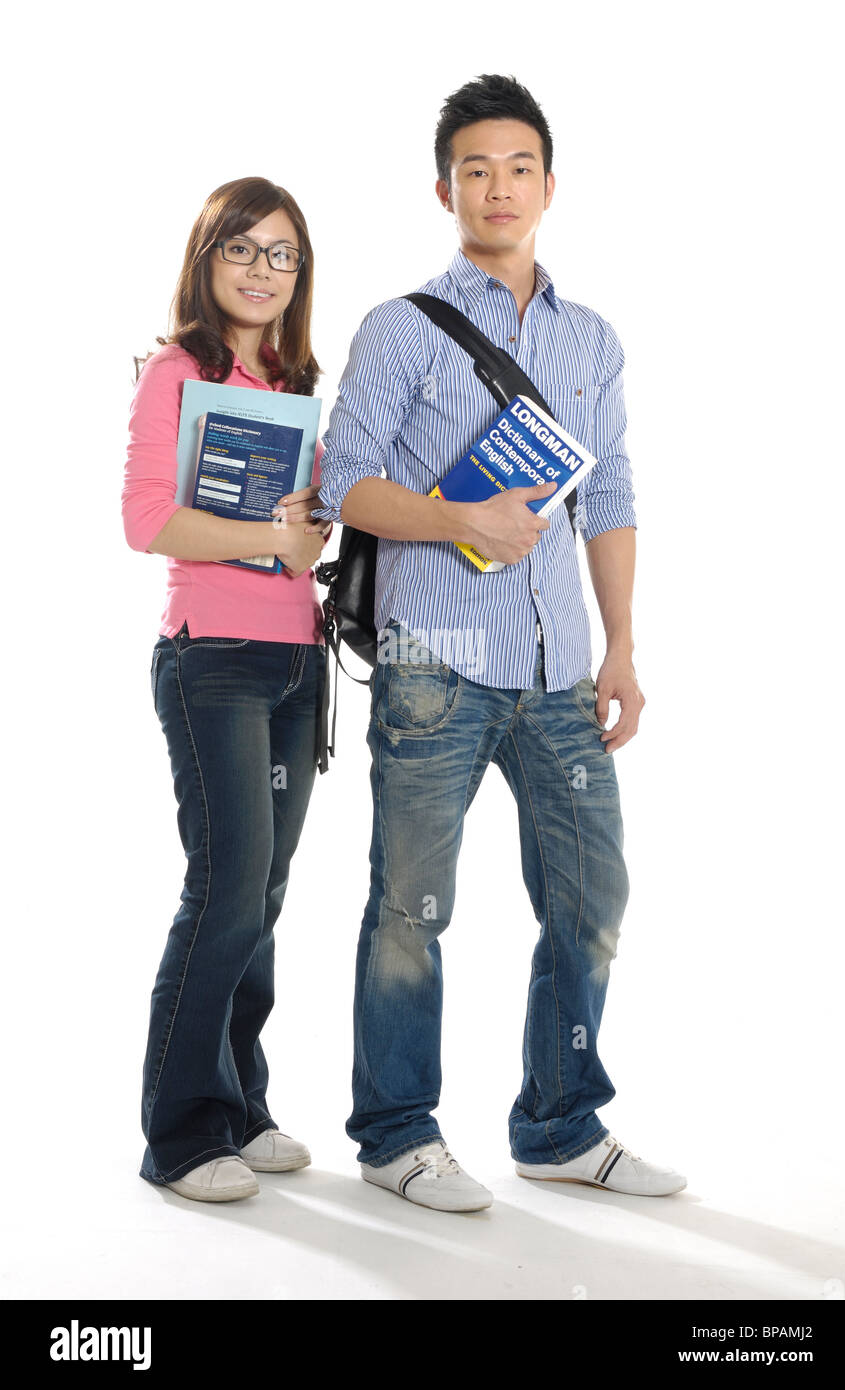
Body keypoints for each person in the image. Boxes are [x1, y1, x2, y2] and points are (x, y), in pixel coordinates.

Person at [311, 76, 686, 1212]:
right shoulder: (399, 327)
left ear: (548, 184)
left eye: (517, 166)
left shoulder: (589, 338)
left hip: (558, 669)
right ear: (444, 189)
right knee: (411, 910)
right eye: (474, 168)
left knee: (590, 897)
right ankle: (394, 1136)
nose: (497, 187)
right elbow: (341, 482)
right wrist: (453, 515)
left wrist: (619, 646)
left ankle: (559, 1124)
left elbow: (608, 491)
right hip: (433, 662)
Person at [122, 176, 332, 1203]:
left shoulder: (295, 381)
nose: (261, 269)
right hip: (214, 663)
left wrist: (317, 528)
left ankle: (240, 1108)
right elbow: (146, 521)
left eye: (280, 253)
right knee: (224, 887)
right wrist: (276, 537)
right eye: (241, 249)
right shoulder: (176, 370)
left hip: (298, 666)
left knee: (265, 893)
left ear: (300, 273)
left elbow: (306, 535)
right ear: (207, 261)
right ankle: (180, 1134)